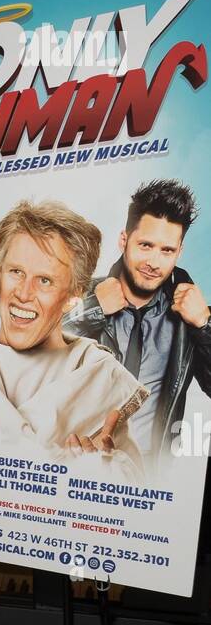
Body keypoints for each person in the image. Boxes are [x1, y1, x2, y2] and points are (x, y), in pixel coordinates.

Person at [0, 200, 146, 476]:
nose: (23, 293)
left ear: (73, 296)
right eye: (16, 272)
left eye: (44, 280)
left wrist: (97, 475)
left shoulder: (98, 377)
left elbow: (134, 494)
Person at [64, 179, 211, 467]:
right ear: (124, 240)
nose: (154, 262)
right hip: (79, 463)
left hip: (148, 475)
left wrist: (204, 326)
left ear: (179, 252)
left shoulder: (191, 317)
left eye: (166, 250)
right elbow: (35, 359)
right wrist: (94, 309)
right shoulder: (83, 295)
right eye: (145, 245)